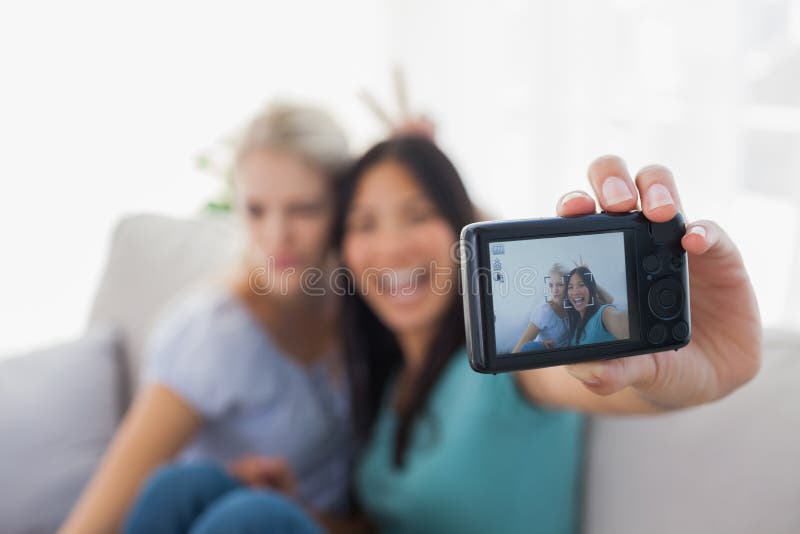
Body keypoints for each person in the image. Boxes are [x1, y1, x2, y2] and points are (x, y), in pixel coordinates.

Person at [125, 138, 761, 533]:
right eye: (365, 223)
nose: (391, 246)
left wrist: (705, 375)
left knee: (249, 520)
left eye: (418, 214)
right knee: (187, 486)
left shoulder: (513, 361)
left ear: (464, 232)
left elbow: (631, 391)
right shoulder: (389, 384)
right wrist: (308, 517)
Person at [58, 102, 353, 534]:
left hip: (309, 522)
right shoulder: (215, 332)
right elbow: (97, 518)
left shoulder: (362, 303)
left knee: (251, 513)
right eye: (256, 210)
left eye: (303, 209)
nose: (276, 235)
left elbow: (463, 267)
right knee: (185, 489)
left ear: (342, 208)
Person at [512, 263, 570, 352]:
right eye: (551, 285)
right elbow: (518, 350)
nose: (555, 290)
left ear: (569, 285)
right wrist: (540, 345)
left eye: (560, 284)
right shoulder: (545, 312)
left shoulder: (573, 307)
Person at [564, 265, 629, 345]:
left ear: (591, 289)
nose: (575, 292)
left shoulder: (603, 314)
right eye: (570, 287)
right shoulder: (576, 323)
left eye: (581, 285)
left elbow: (623, 322)